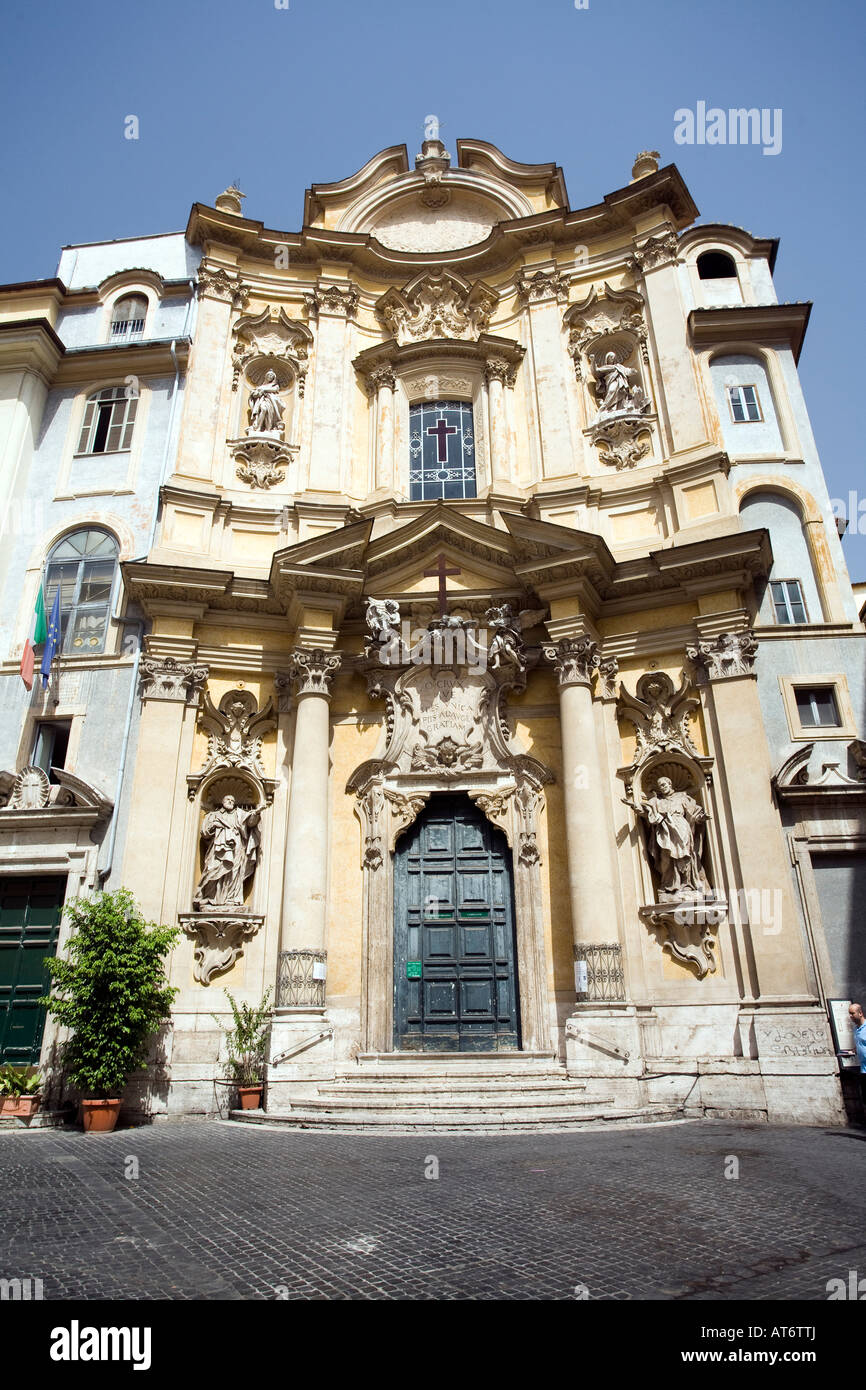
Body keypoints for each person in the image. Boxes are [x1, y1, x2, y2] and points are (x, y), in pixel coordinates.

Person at [194, 794, 260, 908]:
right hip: (217, 849)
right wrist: (213, 826)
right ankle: (209, 897)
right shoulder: (213, 815)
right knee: (212, 869)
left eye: (233, 800)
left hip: (236, 847)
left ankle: (231, 898)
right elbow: (205, 833)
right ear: (222, 801)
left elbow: (250, 822)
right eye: (228, 800)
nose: (230, 802)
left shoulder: (239, 814)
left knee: (234, 872)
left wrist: (256, 813)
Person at [848, 1002, 866, 1110]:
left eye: (852, 1013)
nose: (850, 1016)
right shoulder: (856, 1029)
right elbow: (860, 1044)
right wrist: (853, 1050)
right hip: (863, 1069)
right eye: (849, 1013)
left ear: (860, 1013)